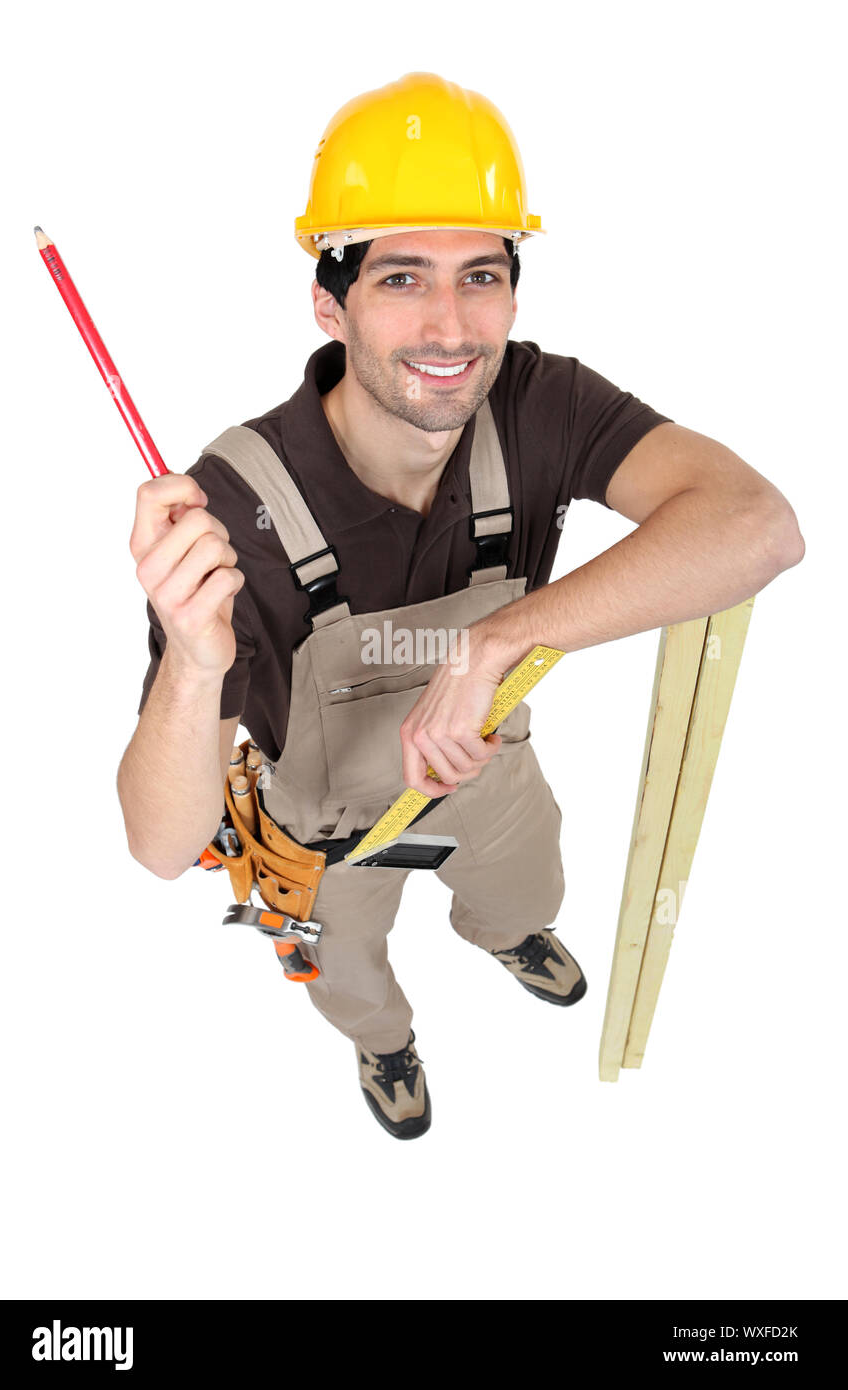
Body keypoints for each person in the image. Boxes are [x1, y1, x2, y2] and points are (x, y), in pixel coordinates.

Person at [116, 73, 805, 1140]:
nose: (449, 324)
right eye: (401, 278)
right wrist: (192, 663)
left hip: (487, 772)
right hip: (326, 833)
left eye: (479, 274)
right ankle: (385, 1045)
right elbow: (161, 847)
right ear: (328, 301)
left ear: (513, 291)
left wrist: (498, 641)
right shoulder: (233, 506)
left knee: (528, 887)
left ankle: (507, 933)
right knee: (348, 972)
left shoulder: (534, 403)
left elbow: (757, 526)